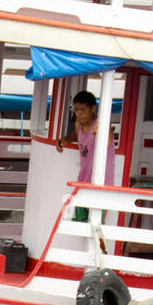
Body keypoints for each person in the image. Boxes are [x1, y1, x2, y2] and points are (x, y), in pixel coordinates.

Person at [56, 89, 115, 222]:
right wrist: (65, 140)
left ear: (93, 108)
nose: (79, 114)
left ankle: (99, 244)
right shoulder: (78, 125)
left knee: (97, 227)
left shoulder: (102, 126)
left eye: (83, 110)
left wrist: (102, 129)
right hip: (82, 183)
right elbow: (75, 135)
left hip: (101, 185)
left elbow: (108, 138)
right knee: (78, 223)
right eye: (76, 110)